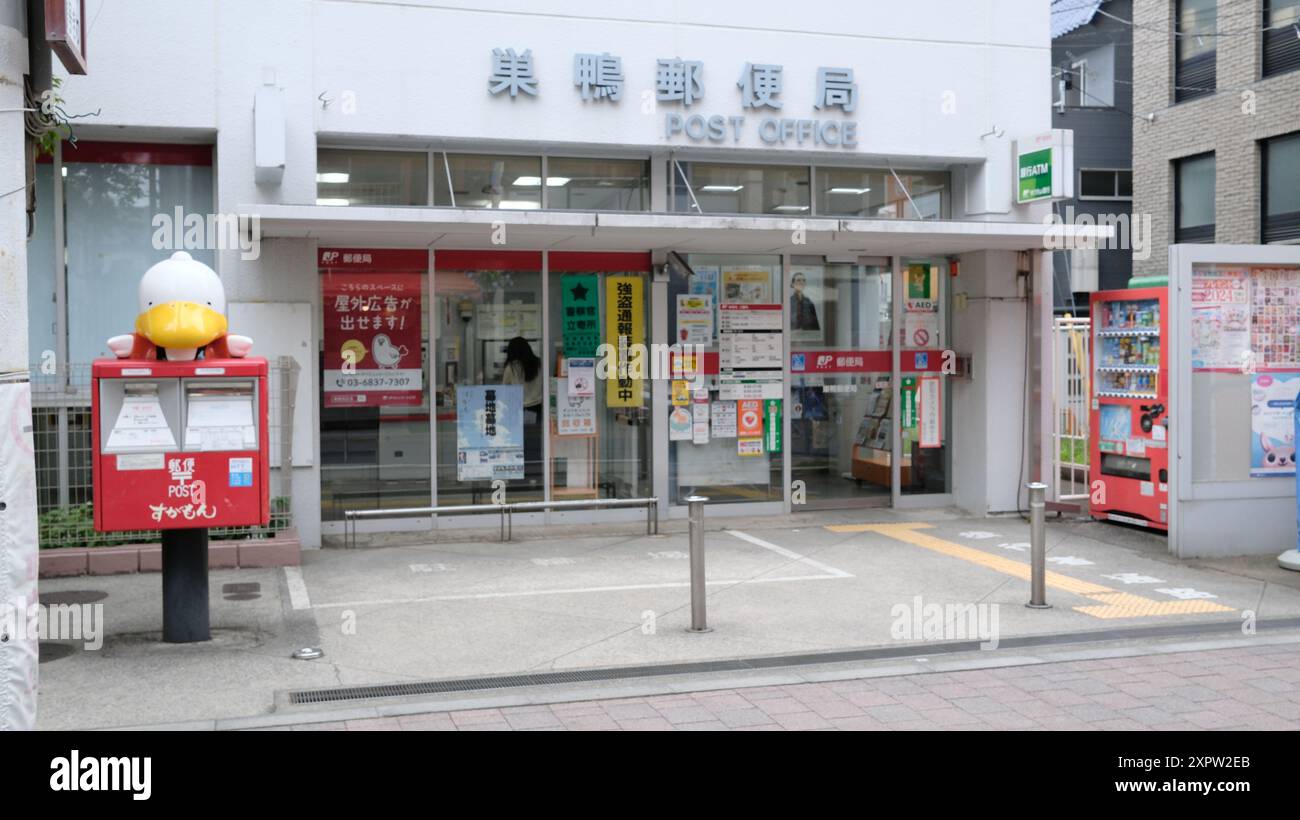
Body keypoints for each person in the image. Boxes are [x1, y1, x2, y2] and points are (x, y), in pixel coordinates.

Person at [501, 336, 543, 482]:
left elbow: (504, 390)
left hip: (517, 410)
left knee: (515, 442)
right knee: (533, 443)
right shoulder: (538, 364)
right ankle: (534, 476)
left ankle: (516, 474)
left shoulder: (510, 368)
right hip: (536, 409)